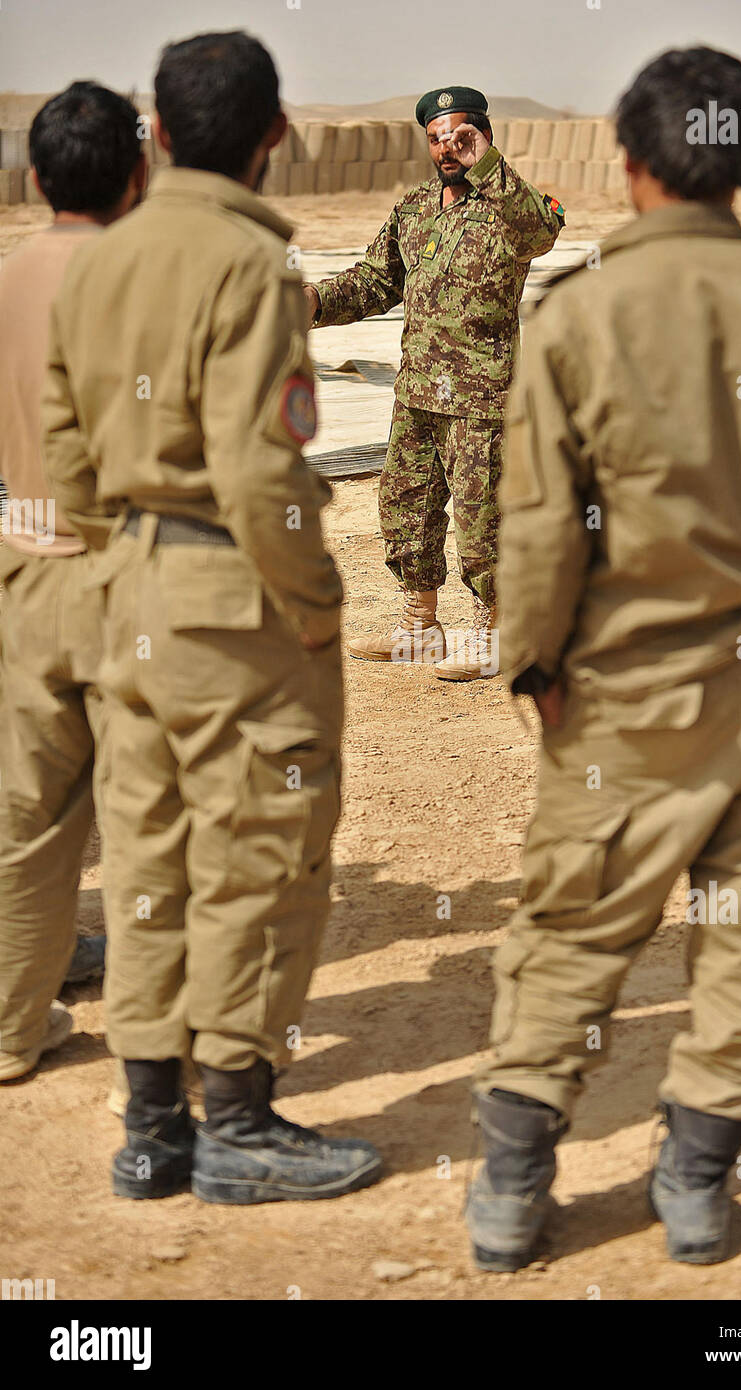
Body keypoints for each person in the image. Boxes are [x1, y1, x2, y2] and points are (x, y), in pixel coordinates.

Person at [465, 46, 741, 1271]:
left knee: (572, 933)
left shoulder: (574, 318)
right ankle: (697, 1187)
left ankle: (507, 1194)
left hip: (619, 701)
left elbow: (539, 528)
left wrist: (535, 668)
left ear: (631, 158)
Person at [43, 30, 381, 1204]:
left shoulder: (101, 259)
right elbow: (256, 472)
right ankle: (234, 1118)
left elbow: (63, 452)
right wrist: (315, 605)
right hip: (233, 604)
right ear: (274, 135)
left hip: (123, 593)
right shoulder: (251, 266)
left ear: (161, 131)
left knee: (144, 858)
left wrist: (115, 554)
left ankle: (152, 1132)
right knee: (258, 860)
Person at [304, 86, 565, 680]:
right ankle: (420, 625)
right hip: (417, 392)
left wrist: (488, 167)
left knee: (483, 518)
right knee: (406, 508)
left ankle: (489, 628)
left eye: (459, 135)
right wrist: (314, 300)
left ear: (484, 135)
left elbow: (540, 232)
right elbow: (375, 280)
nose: (446, 147)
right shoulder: (415, 207)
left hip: (483, 397)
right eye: (436, 137)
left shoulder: (513, 207)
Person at [0, 82, 146, 1083]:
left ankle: (14, 1028)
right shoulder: (150, 282)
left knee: (28, 819)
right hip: (131, 575)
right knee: (148, 826)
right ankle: (154, 1062)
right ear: (137, 175)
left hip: (22, 562)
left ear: (37, 177)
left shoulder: (6, 279)